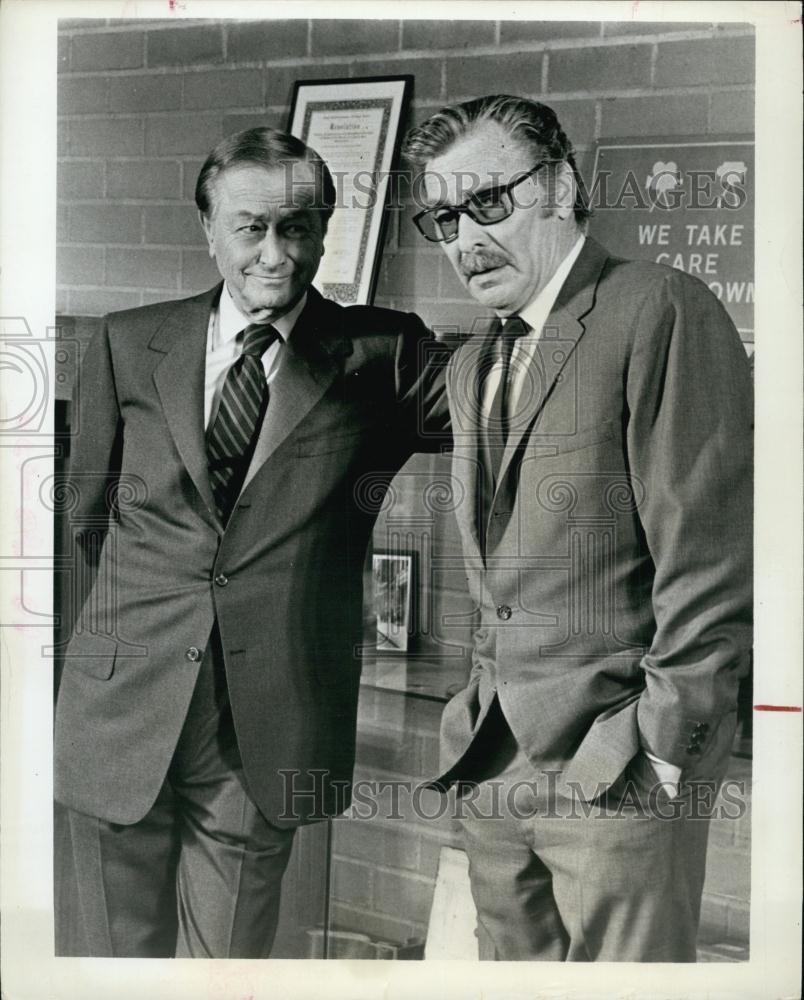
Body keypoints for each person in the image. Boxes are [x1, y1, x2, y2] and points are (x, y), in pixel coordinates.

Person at [54, 127, 449, 958]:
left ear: (323, 231)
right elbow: (88, 520)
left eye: (298, 228)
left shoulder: (383, 352)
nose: (275, 253)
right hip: (121, 712)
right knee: (110, 962)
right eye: (250, 228)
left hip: (265, 724)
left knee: (227, 963)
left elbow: (515, 415)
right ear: (207, 228)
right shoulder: (129, 343)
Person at [402, 95, 753, 962]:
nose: (465, 239)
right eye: (444, 216)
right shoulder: (471, 361)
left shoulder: (657, 308)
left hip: (620, 772)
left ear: (558, 186)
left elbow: (708, 569)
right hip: (494, 766)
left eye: (490, 202)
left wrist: (663, 763)